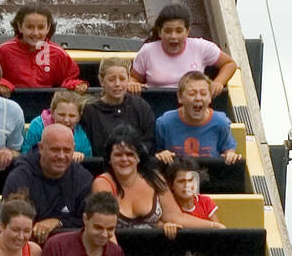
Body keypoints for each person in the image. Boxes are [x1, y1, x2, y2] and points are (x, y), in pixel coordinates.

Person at [90, 126, 219, 237]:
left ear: (138, 157)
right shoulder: (102, 184)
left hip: (156, 252)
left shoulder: (154, 178)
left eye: (130, 154)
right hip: (119, 253)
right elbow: (104, 231)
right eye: (118, 155)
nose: (124, 159)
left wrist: (214, 226)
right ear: (109, 159)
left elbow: (177, 218)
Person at [2, 123, 94, 242]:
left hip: (69, 248)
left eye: (67, 150)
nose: (61, 156)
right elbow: (10, 218)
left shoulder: (83, 178)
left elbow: (91, 220)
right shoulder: (20, 176)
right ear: (41, 148)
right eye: (55, 149)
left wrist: (59, 222)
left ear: (74, 148)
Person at [131, 3, 238, 96]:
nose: (173, 36)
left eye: (179, 31)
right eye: (168, 31)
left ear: (187, 31)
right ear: (160, 32)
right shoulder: (147, 51)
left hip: (193, 106)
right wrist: (133, 84)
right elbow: (133, 78)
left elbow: (229, 64)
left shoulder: (201, 47)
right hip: (156, 105)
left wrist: (218, 82)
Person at [0, 5, 87, 94]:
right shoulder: (3, 50)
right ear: (20, 26)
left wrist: (77, 85)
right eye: (30, 27)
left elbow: (70, 79)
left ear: (48, 28)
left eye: (41, 27)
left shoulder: (59, 54)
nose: (35, 33)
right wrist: (2, 83)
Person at [154, 71, 241, 163]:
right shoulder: (164, 123)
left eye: (203, 94)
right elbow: (156, 152)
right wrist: (162, 154)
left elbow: (228, 149)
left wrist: (230, 155)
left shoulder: (221, 122)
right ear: (180, 97)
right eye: (192, 94)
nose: (198, 98)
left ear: (210, 97)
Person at [81, 57, 155, 158]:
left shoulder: (141, 106)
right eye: (111, 79)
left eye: (122, 79)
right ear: (102, 81)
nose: (117, 84)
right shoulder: (89, 111)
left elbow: (149, 141)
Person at [21, 89, 93, 159]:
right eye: (61, 115)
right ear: (52, 113)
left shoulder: (81, 131)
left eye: (72, 116)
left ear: (79, 117)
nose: (66, 120)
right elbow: (26, 154)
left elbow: (88, 157)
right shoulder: (38, 126)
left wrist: (81, 156)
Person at [165, 156, 224, 225]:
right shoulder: (168, 206)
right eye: (181, 181)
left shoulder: (206, 202)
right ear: (171, 184)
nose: (187, 185)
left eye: (190, 180)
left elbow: (217, 231)